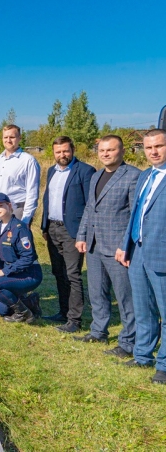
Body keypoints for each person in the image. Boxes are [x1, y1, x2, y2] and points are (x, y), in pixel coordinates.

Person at [74, 135, 138, 356]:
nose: (105, 154)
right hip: (93, 244)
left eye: (110, 150)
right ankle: (98, 331)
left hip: (116, 247)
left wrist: (125, 245)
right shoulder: (96, 175)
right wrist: (82, 235)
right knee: (97, 291)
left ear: (121, 151)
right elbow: (89, 208)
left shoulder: (133, 176)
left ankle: (129, 341)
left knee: (124, 296)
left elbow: (134, 216)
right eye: (102, 150)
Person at [116, 129, 166, 383]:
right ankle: (143, 355)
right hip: (138, 252)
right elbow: (135, 214)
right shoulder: (146, 175)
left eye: (159, 146)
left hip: (162, 254)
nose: (154, 152)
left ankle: (164, 365)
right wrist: (126, 245)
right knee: (143, 309)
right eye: (149, 148)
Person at [40, 136, 95, 333]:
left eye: (65, 151)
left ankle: (75, 320)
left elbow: (91, 205)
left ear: (72, 150)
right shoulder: (52, 171)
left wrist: (84, 233)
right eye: (58, 152)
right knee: (58, 272)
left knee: (72, 274)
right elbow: (48, 199)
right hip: (53, 229)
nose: (62, 155)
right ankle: (63, 312)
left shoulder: (85, 171)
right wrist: (44, 226)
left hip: (72, 230)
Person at [0, 193, 43, 322]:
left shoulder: (19, 227)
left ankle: (23, 313)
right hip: (12, 273)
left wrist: (3, 272)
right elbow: (0, 257)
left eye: (0, 206)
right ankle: (30, 302)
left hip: (28, 274)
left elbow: (28, 257)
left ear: (9, 206)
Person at [0, 125, 40, 223]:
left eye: (12, 137)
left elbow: (32, 193)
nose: (8, 140)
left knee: (15, 238)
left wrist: (26, 219)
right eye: (5, 137)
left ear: (19, 138)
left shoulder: (28, 160)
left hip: (16, 210)